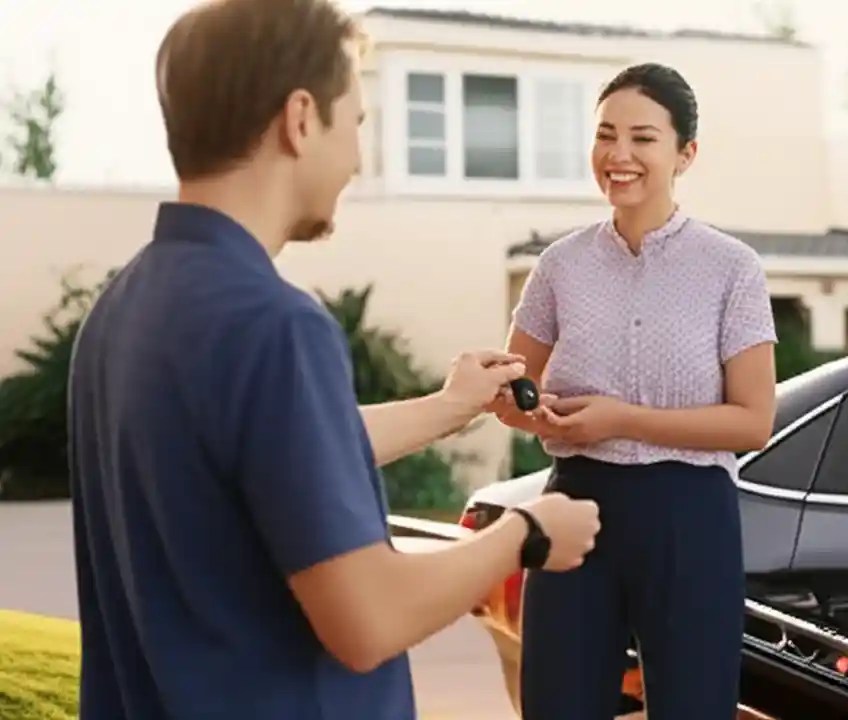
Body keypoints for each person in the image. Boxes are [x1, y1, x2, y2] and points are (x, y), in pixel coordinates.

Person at [67, 1, 600, 719]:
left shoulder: (122, 311)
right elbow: (368, 620)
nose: (355, 157)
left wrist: (449, 408)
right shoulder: (276, 325)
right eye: (355, 124)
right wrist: (525, 536)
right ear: (299, 119)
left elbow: (272, 456)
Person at [491, 62, 778, 719]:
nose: (619, 155)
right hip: (574, 505)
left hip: (690, 514)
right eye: (605, 135)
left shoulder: (732, 268)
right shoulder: (559, 265)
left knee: (694, 708)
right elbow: (515, 391)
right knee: (557, 705)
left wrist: (622, 419)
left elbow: (752, 422)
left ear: (685, 154)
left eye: (643, 138)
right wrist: (533, 413)